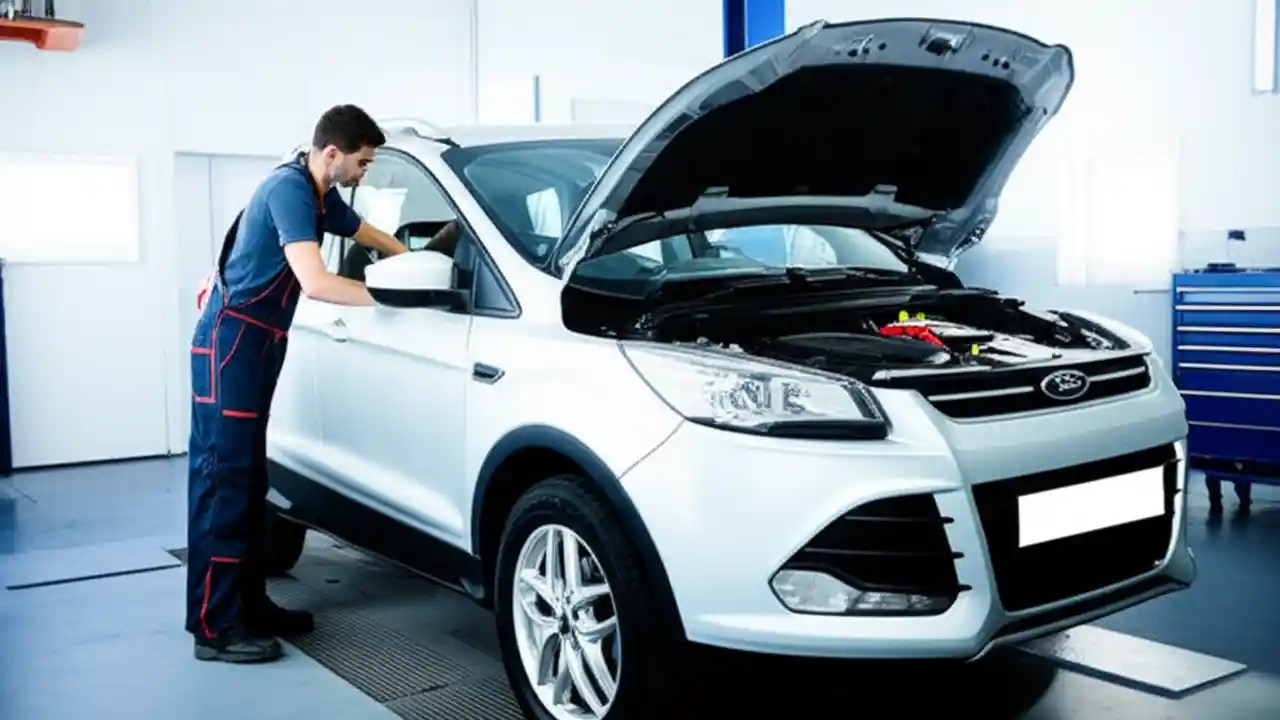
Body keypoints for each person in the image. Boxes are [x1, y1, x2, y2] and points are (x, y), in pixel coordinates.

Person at [186, 104, 409, 663]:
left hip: (259, 344)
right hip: (231, 344)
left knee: (251, 482)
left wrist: (412, 256)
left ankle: (250, 604)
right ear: (332, 152)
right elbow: (315, 282)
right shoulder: (288, 189)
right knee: (224, 483)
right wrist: (398, 295)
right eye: (362, 162)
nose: (366, 173)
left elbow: (363, 232)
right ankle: (214, 627)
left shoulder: (318, 192)